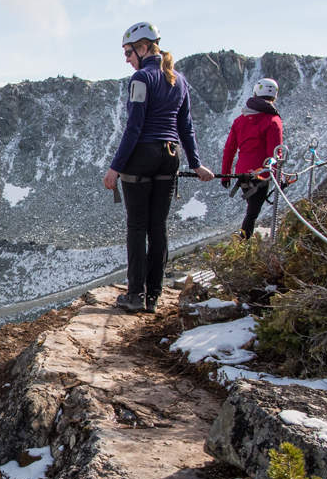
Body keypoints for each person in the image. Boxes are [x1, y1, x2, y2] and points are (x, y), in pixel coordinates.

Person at [103, 22, 214, 314]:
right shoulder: (179, 80)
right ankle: (153, 296)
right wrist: (196, 164)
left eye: (128, 52)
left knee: (137, 227)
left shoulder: (141, 79)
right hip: (170, 156)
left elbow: (134, 127)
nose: (126, 59)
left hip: (142, 156)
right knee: (158, 227)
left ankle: (135, 295)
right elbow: (185, 127)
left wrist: (115, 168)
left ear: (142, 48)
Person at [220, 78, 283, 238]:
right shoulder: (273, 121)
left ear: (255, 93)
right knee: (252, 213)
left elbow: (229, 149)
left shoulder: (239, 121)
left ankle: (243, 241)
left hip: (242, 172)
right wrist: (278, 177)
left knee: (252, 210)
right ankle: (243, 242)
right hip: (262, 173)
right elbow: (275, 154)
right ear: (274, 96)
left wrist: (226, 174)